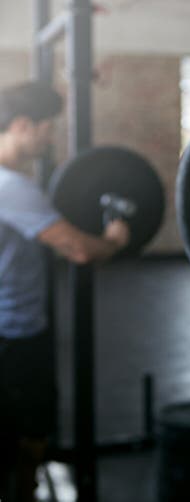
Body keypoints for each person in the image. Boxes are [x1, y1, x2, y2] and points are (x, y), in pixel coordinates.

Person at [0, 81, 130, 502]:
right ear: (22, 125)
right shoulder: (11, 187)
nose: (49, 137)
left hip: (12, 326)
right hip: (13, 335)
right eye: (46, 128)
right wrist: (113, 239)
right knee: (29, 427)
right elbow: (77, 249)